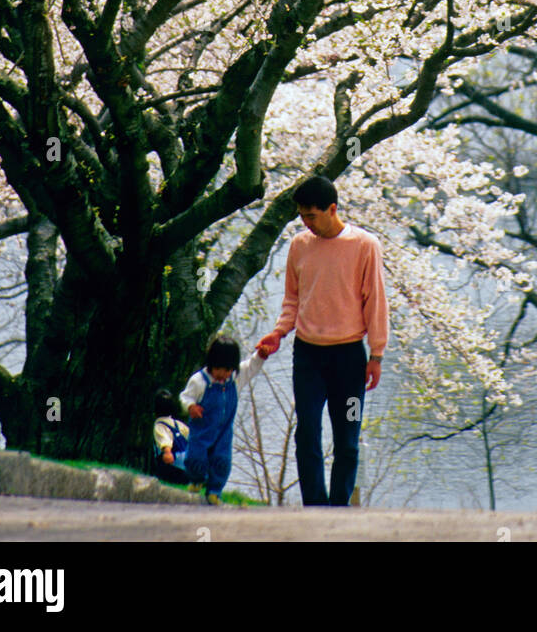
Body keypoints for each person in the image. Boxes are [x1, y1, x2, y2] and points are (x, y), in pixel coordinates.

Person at [258, 175, 388, 507]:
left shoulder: (364, 245)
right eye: (302, 216)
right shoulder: (299, 245)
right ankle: (314, 507)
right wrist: (278, 332)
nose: (306, 223)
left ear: (332, 209)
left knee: (348, 437)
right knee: (308, 433)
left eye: (311, 215)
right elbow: (292, 300)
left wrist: (377, 354)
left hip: (349, 358)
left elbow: (375, 301)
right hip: (308, 356)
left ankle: (339, 507)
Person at [179, 335, 267, 504]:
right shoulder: (199, 381)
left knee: (222, 460)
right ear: (211, 364)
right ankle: (197, 480)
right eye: (220, 369)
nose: (224, 375)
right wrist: (190, 406)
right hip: (202, 430)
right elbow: (185, 397)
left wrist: (261, 355)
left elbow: (250, 367)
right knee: (196, 457)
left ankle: (214, 491)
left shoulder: (234, 379)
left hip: (223, 432)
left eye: (228, 371)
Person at [152, 388, 190, 485]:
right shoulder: (178, 424)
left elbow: (165, 440)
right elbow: (192, 437)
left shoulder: (159, 426)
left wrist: (167, 452)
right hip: (186, 466)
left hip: (172, 467)